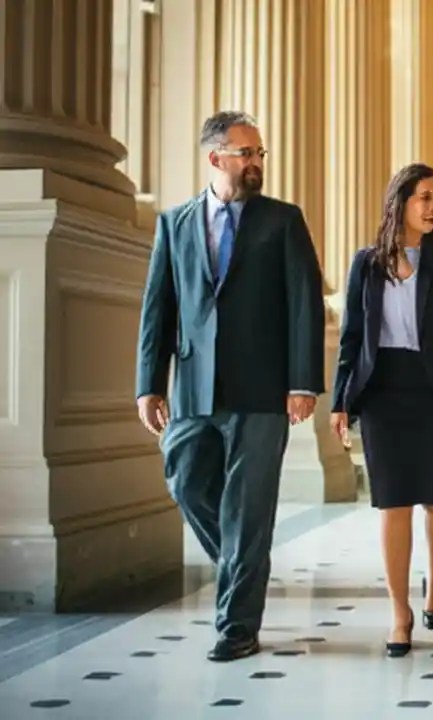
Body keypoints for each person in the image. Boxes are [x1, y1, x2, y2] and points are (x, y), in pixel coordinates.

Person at [135, 111, 325, 662]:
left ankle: (236, 626)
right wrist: (149, 384)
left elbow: (303, 305)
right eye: (247, 154)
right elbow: (158, 308)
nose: (257, 164)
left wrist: (302, 382)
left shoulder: (283, 221)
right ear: (216, 158)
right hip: (194, 387)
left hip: (263, 390)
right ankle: (247, 564)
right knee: (186, 479)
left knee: (249, 506)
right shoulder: (174, 224)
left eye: (261, 154)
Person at [330, 164, 433, 657]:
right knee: (393, 502)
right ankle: (399, 613)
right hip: (383, 392)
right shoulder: (366, 262)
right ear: (399, 201)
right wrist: (340, 400)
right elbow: (352, 338)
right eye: (425, 197)